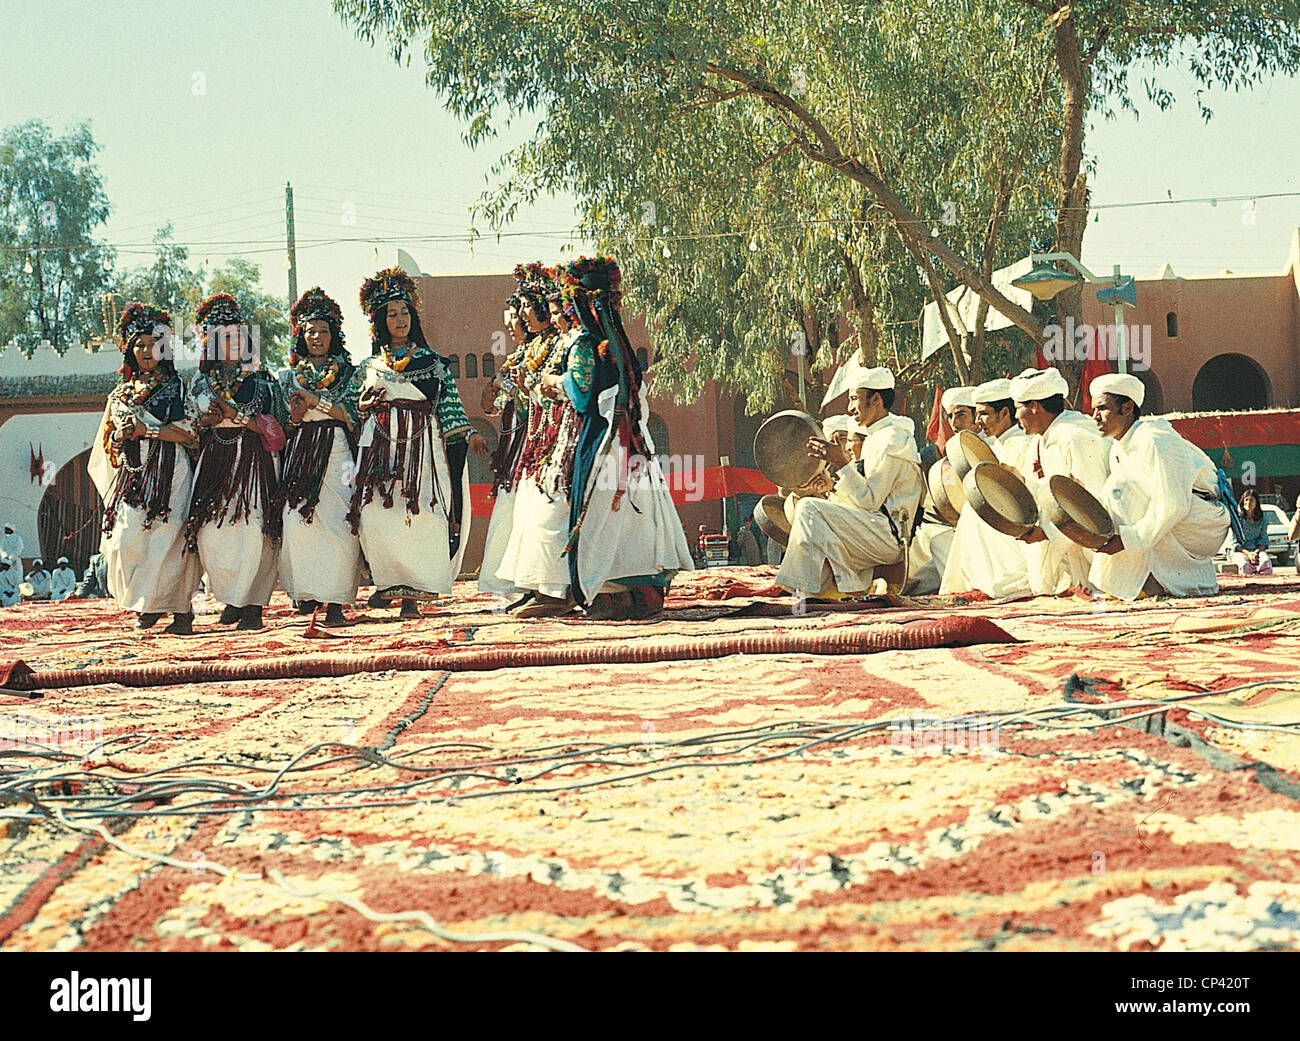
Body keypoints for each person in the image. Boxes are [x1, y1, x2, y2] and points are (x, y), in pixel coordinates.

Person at [556, 255, 694, 620]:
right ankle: (639, 593)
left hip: (604, 442)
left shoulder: (586, 345)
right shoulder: (622, 343)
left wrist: (556, 382)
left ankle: (607, 595)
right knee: (637, 516)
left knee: (603, 517)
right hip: (633, 445)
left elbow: (583, 395)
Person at [348, 267, 488, 618]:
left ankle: (411, 594)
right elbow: (351, 408)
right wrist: (362, 407)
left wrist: (469, 435)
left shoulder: (434, 364)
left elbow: (451, 407)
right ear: (380, 320)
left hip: (422, 448)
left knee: (420, 512)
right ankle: (387, 582)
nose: (400, 319)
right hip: (380, 447)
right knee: (377, 514)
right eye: (392, 313)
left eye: (405, 312)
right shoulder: (368, 366)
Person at [86, 303, 201, 632]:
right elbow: (107, 441)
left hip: (171, 470)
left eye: (152, 344)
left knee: (171, 536)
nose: (146, 351)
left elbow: (189, 431)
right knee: (128, 537)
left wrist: (146, 430)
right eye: (139, 344)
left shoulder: (178, 387)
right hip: (135, 474)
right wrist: (121, 438)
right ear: (129, 350)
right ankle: (148, 605)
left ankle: (180, 610)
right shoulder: (120, 393)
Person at [184, 293, 287, 631]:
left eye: (234, 336)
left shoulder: (263, 381)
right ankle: (231, 597)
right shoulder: (198, 382)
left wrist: (237, 416)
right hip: (215, 461)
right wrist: (206, 423)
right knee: (211, 532)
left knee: (253, 529)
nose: (229, 343)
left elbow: (277, 427)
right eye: (221, 337)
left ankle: (253, 604)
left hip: (253, 462)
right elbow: (189, 430)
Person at [776, 361, 923, 599]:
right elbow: (864, 499)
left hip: (891, 537)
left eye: (855, 398)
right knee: (816, 519)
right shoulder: (879, 437)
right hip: (876, 527)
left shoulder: (891, 440)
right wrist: (833, 488)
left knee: (809, 509)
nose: (850, 407)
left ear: (876, 400)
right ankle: (828, 590)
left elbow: (869, 502)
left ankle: (799, 589)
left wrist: (842, 462)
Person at [1086, 373, 1229, 599]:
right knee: (1115, 490)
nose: (1094, 417)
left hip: (1202, 521)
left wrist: (1126, 540)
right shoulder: (1118, 448)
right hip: (1182, 517)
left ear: (1127, 408)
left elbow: (1174, 504)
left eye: (1102, 409)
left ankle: (1153, 581)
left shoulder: (1156, 440)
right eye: (1093, 410)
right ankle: (1138, 581)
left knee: (1121, 489)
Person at [497, 263, 582, 617]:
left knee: (551, 508)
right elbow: (505, 397)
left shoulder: (567, 344)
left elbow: (566, 390)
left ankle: (557, 593)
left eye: (530, 307)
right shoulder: (538, 347)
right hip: (537, 436)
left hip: (561, 435)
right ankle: (537, 586)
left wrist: (531, 386)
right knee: (531, 509)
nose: (522, 316)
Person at [276, 288, 362, 627]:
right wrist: (297, 416)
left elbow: (353, 416)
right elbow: (284, 422)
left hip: (338, 448)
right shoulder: (286, 376)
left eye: (324, 331)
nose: (317, 337)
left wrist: (316, 402)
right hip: (301, 449)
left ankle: (337, 600)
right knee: (299, 521)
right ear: (301, 335)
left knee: (340, 522)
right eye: (310, 331)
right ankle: (308, 593)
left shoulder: (350, 374)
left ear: (335, 335)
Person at [1010, 367, 1110, 595]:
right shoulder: (1038, 441)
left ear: (1034, 407)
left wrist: (1048, 532)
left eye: (1018, 408)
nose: (1016, 417)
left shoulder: (1075, 437)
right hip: (1060, 533)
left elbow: (1094, 502)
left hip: (1091, 539)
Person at [940, 378, 1037, 598]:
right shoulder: (996, 445)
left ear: (1004, 413)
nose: (978, 421)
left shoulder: (1021, 445)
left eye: (983, 414)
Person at [477, 291, 530, 600]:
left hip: (534, 447)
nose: (509, 327)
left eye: (513, 320)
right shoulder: (514, 360)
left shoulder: (544, 352)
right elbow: (488, 407)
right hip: (511, 453)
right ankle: (509, 585)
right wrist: (496, 383)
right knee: (507, 515)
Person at [1232, 488, 1272, 576]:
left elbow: (1264, 540)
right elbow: (1235, 543)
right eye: (1246, 499)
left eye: (1251, 500)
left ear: (1256, 503)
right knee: (1244, 565)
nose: (1248, 502)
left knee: (1266, 562)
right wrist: (1248, 554)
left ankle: (1265, 585)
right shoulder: (1238, 519)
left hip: (1256, 551)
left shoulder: (1263, 519)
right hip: (1241, 551)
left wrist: (1255, 553)